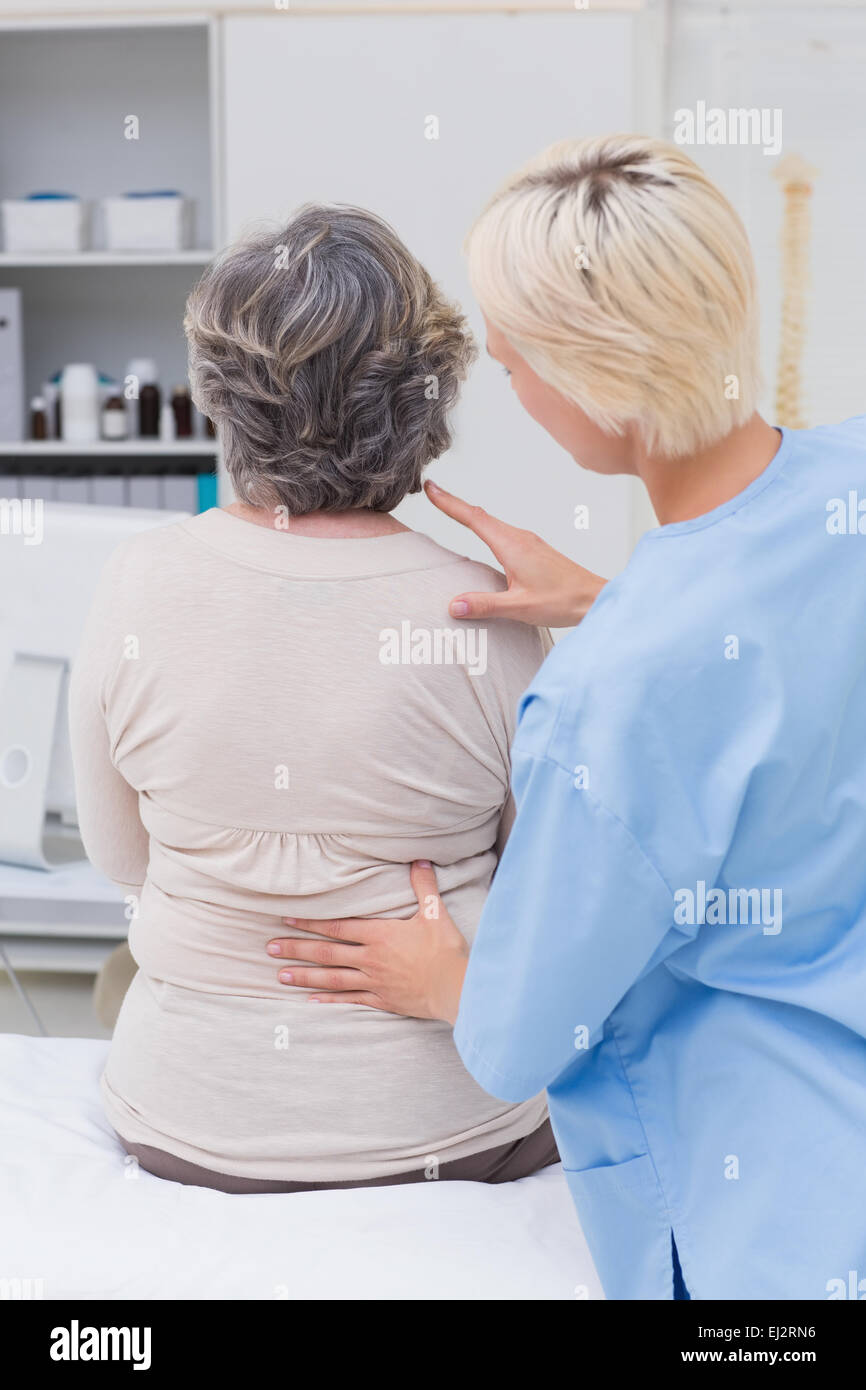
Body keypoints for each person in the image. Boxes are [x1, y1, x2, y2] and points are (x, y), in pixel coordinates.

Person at [266, 136, 866, 1298]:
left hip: (770, 1238)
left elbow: (516, 1039)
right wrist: (611, 597)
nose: (501, 366)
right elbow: (776, 656)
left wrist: (442, 974)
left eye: (516, 348)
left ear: (600, 375)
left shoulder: (610, 701)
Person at [68, 203, 559, 1194]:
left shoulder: (136, 579)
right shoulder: (491, 612)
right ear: (425, 397)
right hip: (452, 1129)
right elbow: (537, 893)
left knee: (114, 981)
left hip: (181, 1122)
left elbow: (122, 857)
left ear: (221, 391)